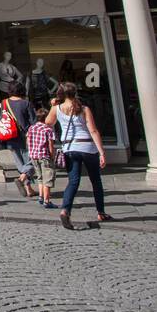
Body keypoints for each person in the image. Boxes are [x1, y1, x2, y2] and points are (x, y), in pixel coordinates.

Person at [46, 81, 111, 229]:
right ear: (75, 93)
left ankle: (65, 210)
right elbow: (93, 131)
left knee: (73, 181)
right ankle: (100, 211)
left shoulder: (57, 108)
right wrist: (101, 152)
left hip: (70, 147)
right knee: (96, 181)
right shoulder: (83, 108)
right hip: (87, 146)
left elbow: (48, 122)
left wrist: (53, 105)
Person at [0, 80, 38, 198]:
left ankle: (29, 188)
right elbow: (33, 122)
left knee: (20, 164)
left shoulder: (4, 103)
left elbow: (1, 118)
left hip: (10, 136)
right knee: (32, 162)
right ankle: (22, 179)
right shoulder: (26, 103)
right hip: (25, 137)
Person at [25, 104, 59, 208]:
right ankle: (47, 200)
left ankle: (41, 196)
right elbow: (50, 145)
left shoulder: (32, 128)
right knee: (48, 179)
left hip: (34, 156)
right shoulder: (48, 129)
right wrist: (52, 156)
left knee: (40, 177)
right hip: (44, 156)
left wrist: (31, 151)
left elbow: (27, 140)